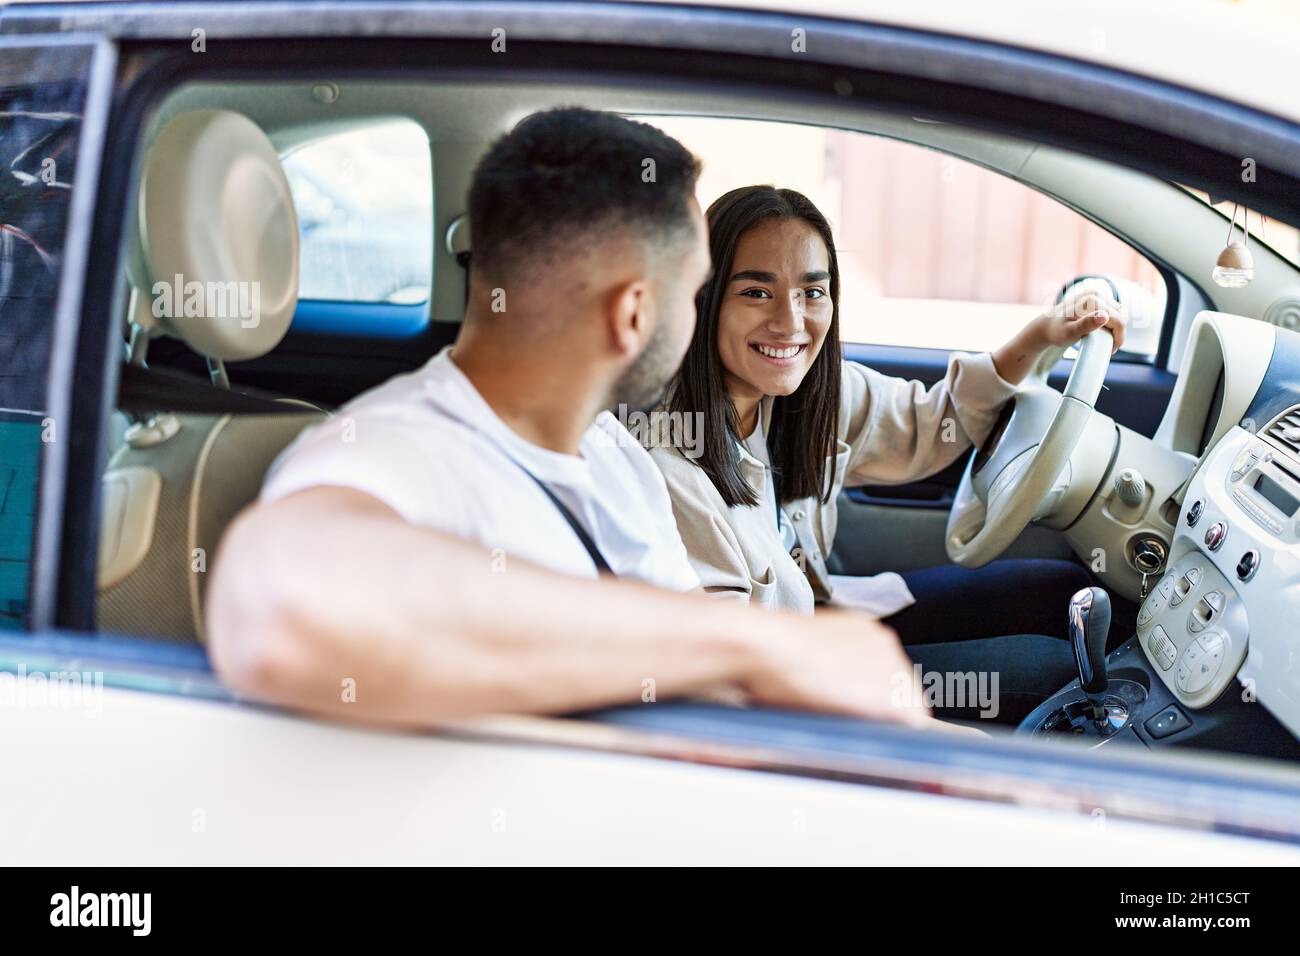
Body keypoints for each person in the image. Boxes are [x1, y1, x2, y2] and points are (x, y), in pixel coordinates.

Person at [206, 109, 936, 730]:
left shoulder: (611, 451)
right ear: (633, 315)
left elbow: (687, 662)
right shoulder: (399, 449)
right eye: (694, 295)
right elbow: (278, 605)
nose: (698, 320)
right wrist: (766, 646)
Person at [649, 185, 1127, 723]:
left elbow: (931, 423)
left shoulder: (807, 394)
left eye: (813, 292)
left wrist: (1045, 334)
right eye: (757, 293)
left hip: (829, 615)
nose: (790, 322)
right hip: (795, 680)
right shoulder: (672, 457)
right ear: (704, 298)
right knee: (1055, 671)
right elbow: (729, 672)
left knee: (1062, 589)